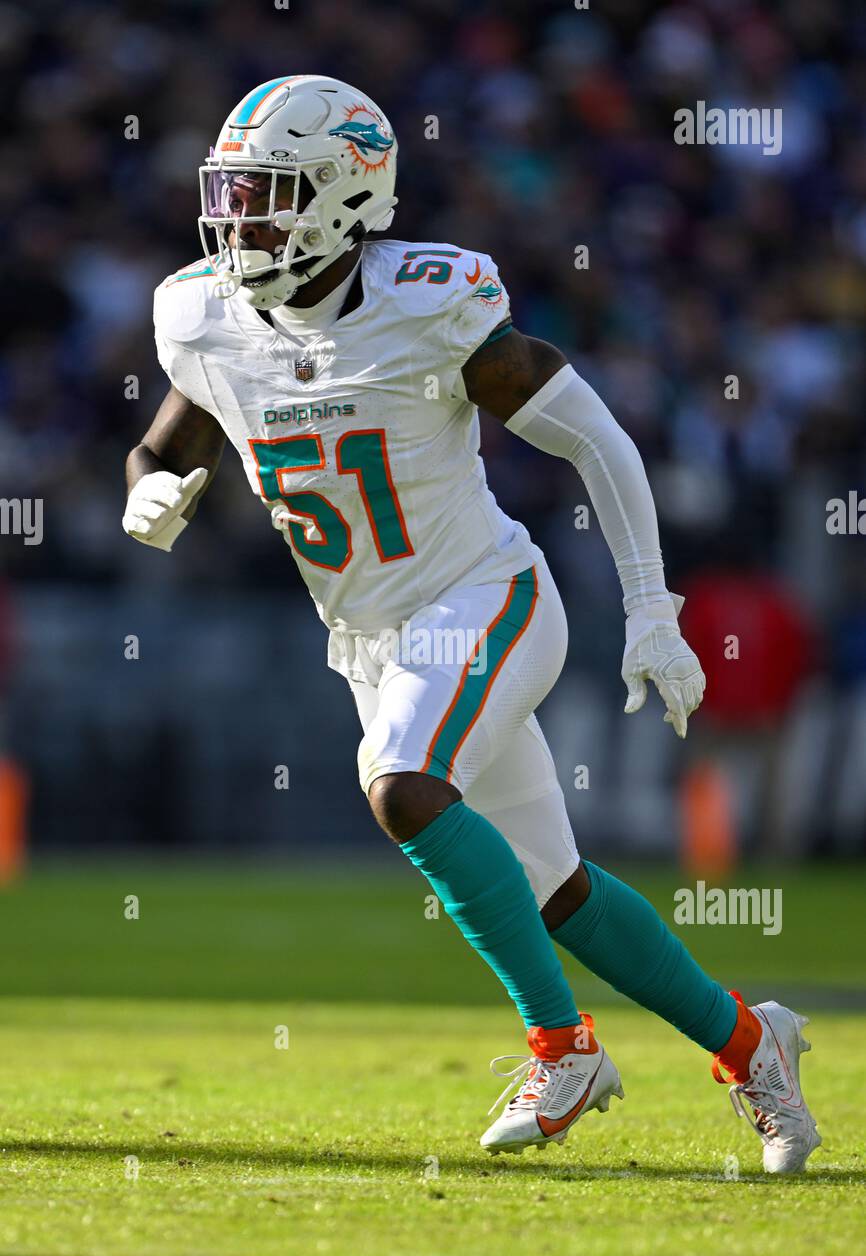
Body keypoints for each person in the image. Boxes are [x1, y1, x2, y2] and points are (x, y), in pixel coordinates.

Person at [123, 77, 819, 1172]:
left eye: (270, 197)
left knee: (400, 781)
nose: (238, 221)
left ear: (348, 201)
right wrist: (145, 490)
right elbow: (171, 442)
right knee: (558, 891)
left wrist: (651, 608)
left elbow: (597, 440)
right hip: (370, 640)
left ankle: (564, 1050)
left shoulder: (426, 301)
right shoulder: (199, 313)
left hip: (484, 594)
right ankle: (752, 1044)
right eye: (233, 194)